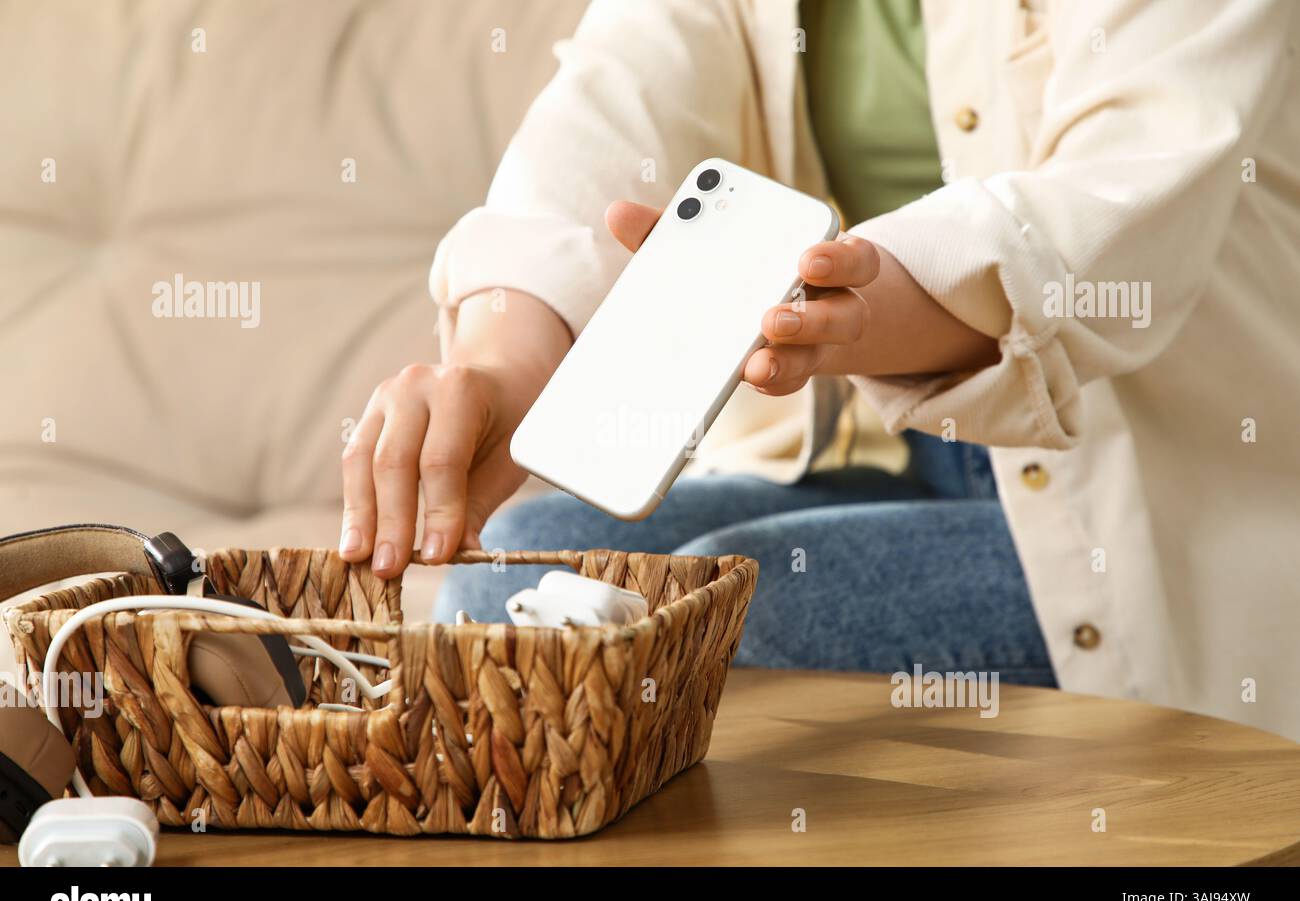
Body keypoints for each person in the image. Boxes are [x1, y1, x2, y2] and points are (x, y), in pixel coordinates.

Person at [337, 0, 1300, 737]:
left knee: (700, 625)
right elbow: (604, 114)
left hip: (1160, 490)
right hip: (904, 446)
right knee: (520, 574)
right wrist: (501, 373)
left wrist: (849, 319)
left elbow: (1122, 210)